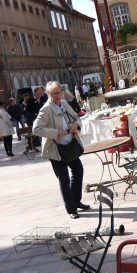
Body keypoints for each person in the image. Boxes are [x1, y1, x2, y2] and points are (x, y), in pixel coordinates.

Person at [33, 81, 88, 219]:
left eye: (59, 92)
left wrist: (76, 125)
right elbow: (36, 129)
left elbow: (76, 117)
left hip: (70, 145)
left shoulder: (64, 103)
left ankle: (76, 201)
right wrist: (56, 132)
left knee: (78, 171)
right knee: (64, 179)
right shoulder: (46, 109)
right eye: (54, 93)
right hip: (56, 150)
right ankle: (71, 209)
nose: (58, 96)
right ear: (48, 94)